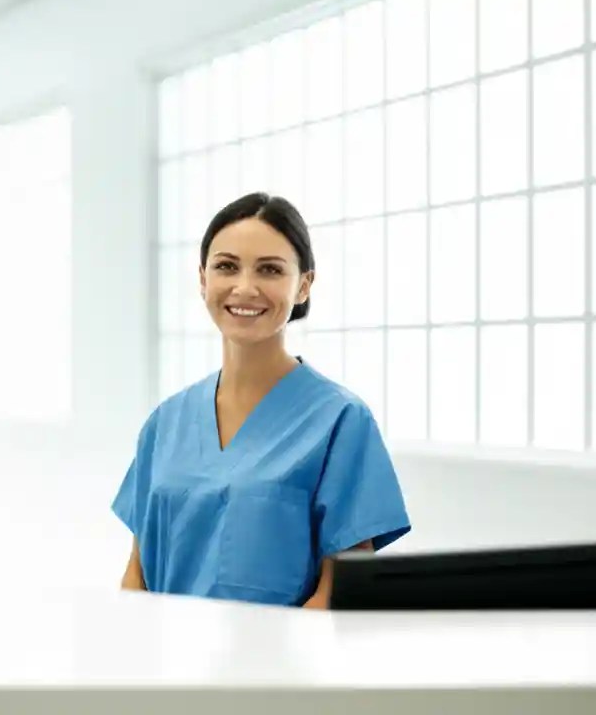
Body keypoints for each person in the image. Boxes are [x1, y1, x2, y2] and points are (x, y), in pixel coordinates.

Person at [112, 192, 411, 609]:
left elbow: (337, 591)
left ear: (303, 285)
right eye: (226, 266)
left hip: (279, 669)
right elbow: (135, 574)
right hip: (163, 665)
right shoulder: (166, 422)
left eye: (270, 269)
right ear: (203, 279)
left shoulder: (340, 421)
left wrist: (269, 669)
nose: (245, 287)